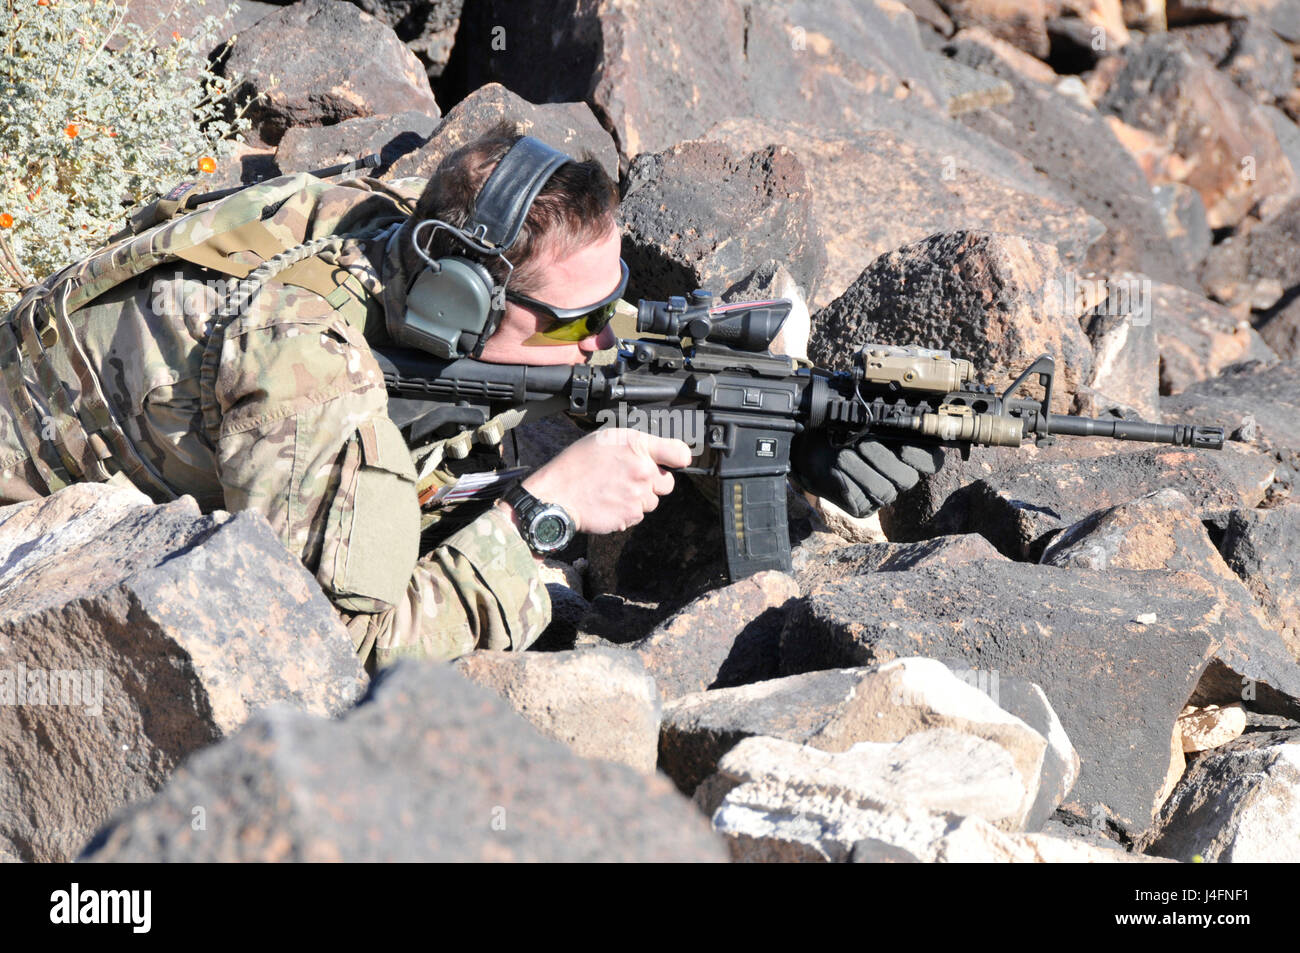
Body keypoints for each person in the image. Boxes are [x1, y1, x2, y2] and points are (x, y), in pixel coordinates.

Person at [0, 126, 941, 669]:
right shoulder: (305, 367)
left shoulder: (417, 232)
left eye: (616, 301)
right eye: (577, 319)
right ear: (464, 299)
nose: (607, 335)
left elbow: (587, 347)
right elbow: (332, 647)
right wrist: (543, 511)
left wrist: (779, 425)